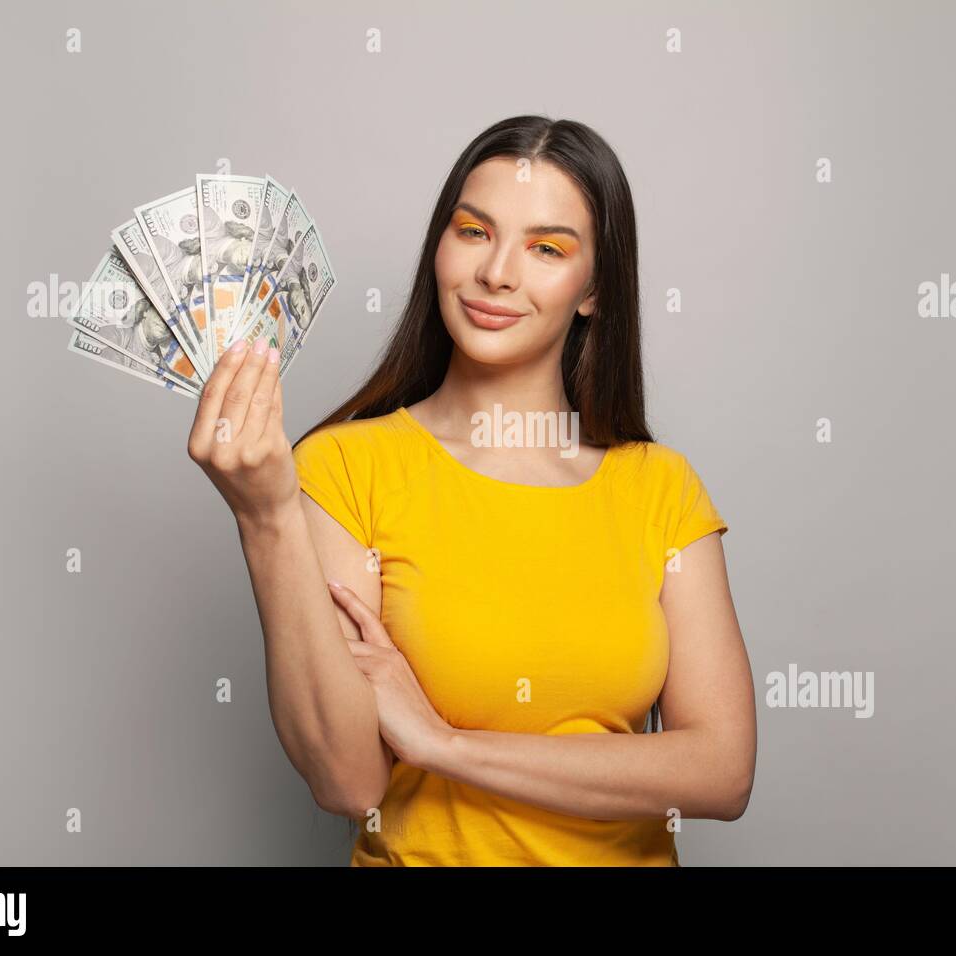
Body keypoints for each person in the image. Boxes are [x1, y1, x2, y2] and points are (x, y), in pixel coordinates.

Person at [187, 115, 756, 866]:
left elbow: (721, 773)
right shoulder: (348, 468)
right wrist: (265, 519)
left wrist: (445, 746)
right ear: (439, 250)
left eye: (547, 248)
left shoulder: (661, 487)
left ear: (595, 291)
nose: (498, 274)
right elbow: (348, 779)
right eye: (474, 232)